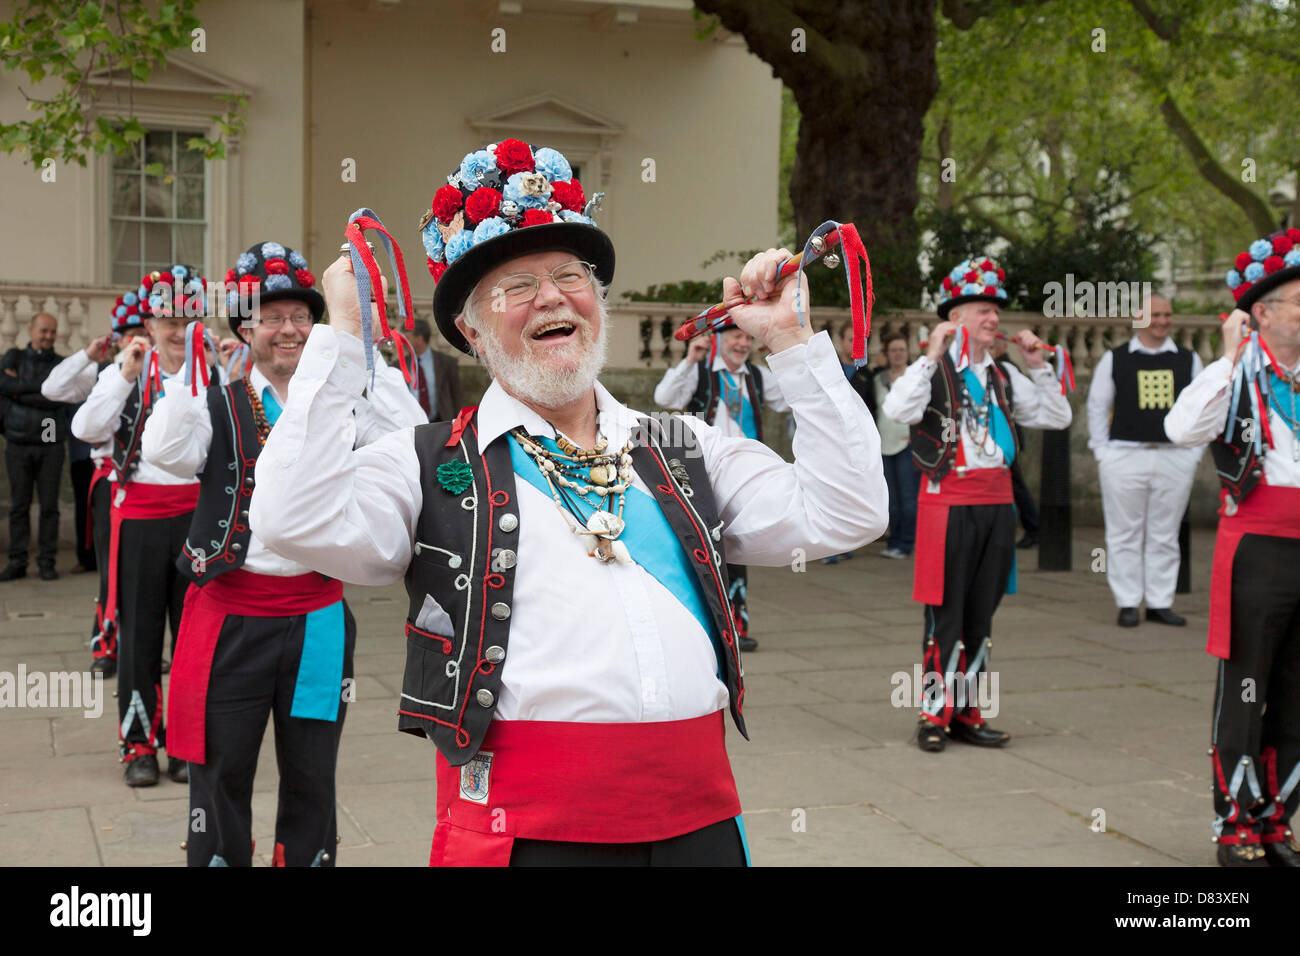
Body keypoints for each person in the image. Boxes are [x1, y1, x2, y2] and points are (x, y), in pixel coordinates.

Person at [250, 139, 888, 866]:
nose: (552, 297)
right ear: (472, 332)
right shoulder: (424, 462)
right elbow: (287, 518)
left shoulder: (685, 448)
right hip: (526, 838)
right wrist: (343, 335)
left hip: (702, 827)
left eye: (568, 276)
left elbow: (848, 511)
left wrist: (794, 344)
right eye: (517, 287)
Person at [141, 241, 424, 867]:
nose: (288, 329)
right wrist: (191, 378)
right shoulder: (216, 402)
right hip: (229, 620)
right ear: (246, 326)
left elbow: (413, 437)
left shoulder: (344, 403)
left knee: (312, 772)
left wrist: (366, 358)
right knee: (219, 773)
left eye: (301, 316)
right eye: (271, 316)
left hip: (317, 619)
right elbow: (164, 454)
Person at [884, 256, 1072, 753]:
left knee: (982, 617)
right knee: (943, 615)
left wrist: (1039, 365)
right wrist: (930, 355)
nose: (993, 319)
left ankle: (968, 712)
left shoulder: (1004, 375)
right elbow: (897, 410)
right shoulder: (937, 369)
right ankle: (933, 713)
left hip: (996, 503)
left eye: (996, 311)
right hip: (948, 503)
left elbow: (1057, 416)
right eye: (982, 310)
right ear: (956, 318)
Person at [1165, 227, 1300, 867]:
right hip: (1257, 551)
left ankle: (1276, 821)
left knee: (1299, 693)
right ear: (1262, 314)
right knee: (1246, 686)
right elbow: (1180, 428)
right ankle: (1235, 823)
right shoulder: (1236, 377)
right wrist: (1228, 357)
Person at [72, 265, 217, 788]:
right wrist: (124, 376)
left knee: (193, 638)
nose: (178, 330)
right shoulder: (129, 368)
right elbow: (84, 429)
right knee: (137, 638)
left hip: (198, 519)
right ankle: (137, 744)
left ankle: (181, 742)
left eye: (188, 319)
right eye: (168, 320)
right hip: (139, 521)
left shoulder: (215, 372)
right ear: (151, 322)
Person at [653, 319, 791, 652]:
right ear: (719, 340)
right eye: (735, 337)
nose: (742, 343)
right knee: (699, 546)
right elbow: (665, 397)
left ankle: (736, 624)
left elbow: (789, 400)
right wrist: (689, 360)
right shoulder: (700, 372)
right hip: (702, 473)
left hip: (743, 476)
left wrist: (781, 355)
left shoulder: (756, 377)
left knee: (736, 552)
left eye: (747, 337)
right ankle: (700, 621)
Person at [43, 304, 150, 676]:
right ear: (117, 338)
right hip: (112, 482)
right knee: (112, 571)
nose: (137, 339)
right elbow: (52, 388)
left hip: (154, 486)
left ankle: (143, 651)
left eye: (144, 331)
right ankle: (105, 647)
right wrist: (88, 355)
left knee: (149, 576)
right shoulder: (104, 373)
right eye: (128, 333)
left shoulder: (166, 373)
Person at [1087, 294, 1203, 628]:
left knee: (1165, 534)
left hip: (1173, 457)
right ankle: (1126, 601)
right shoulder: (1115, 358)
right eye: (1155, 314)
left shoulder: (1189, 359)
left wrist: (1193, 454)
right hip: (1124, 456)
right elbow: (1097, 406)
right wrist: (1103, 453)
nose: (1163, 321)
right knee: (1124, 533)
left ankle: (1159, 602)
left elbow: (1201, 409)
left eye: (1167, 314)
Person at [0, 313, 68, 581]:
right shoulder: (13, 357)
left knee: (49, 505)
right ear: (31, 330)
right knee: (19, 505)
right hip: (17, 440)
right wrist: (40, 390)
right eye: (43, 331)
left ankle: (47, 561)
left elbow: (56, 397)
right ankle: (17, 560)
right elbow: (4, 385)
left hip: (49, 438)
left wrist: (20, 391)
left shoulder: (61, 364)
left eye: (52, 332)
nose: (48, 336)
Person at [872, 332, 920, 559]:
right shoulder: (878, 380)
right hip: (884, 446)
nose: (898, 354)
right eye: (893, 350)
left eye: (902, 350)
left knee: (909, 499)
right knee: (890, 500)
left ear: (908, 352)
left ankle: (906, 543)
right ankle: (894, 542)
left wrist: (918, 435)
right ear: (887, 354)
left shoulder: (916, 378)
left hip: (906, 446)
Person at [991, 337, 1041, 549]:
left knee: (1016, 487)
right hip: (1004, 440)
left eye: (993, 346)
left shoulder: (1005, 369)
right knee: (1014, 486)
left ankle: (1033, 529)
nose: (989, 349)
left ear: (1002, 347)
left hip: (1007, 441)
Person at [409, 318, 464, 421]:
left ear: (419, 339)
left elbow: (456, 395)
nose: (403, 342)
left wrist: (458, 422)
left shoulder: (447, 363)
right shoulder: (399, 365)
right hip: (410, 423)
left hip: (441, 422)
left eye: (407, 338)